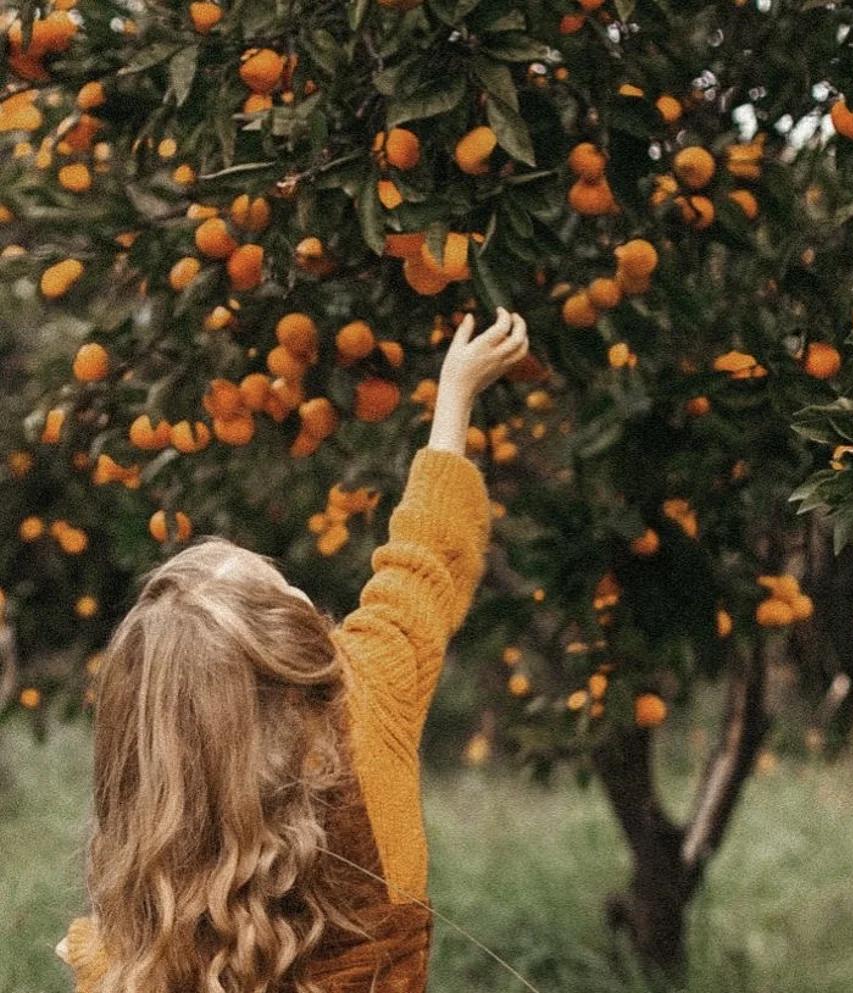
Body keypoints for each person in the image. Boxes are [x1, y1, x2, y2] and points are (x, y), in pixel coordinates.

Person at [56, 309, 529, 992]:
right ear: (291, 642)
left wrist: (99, 961)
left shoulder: (172, 828)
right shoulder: (367, 705)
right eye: (288, 587)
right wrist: (455, 393)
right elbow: (423, 558)